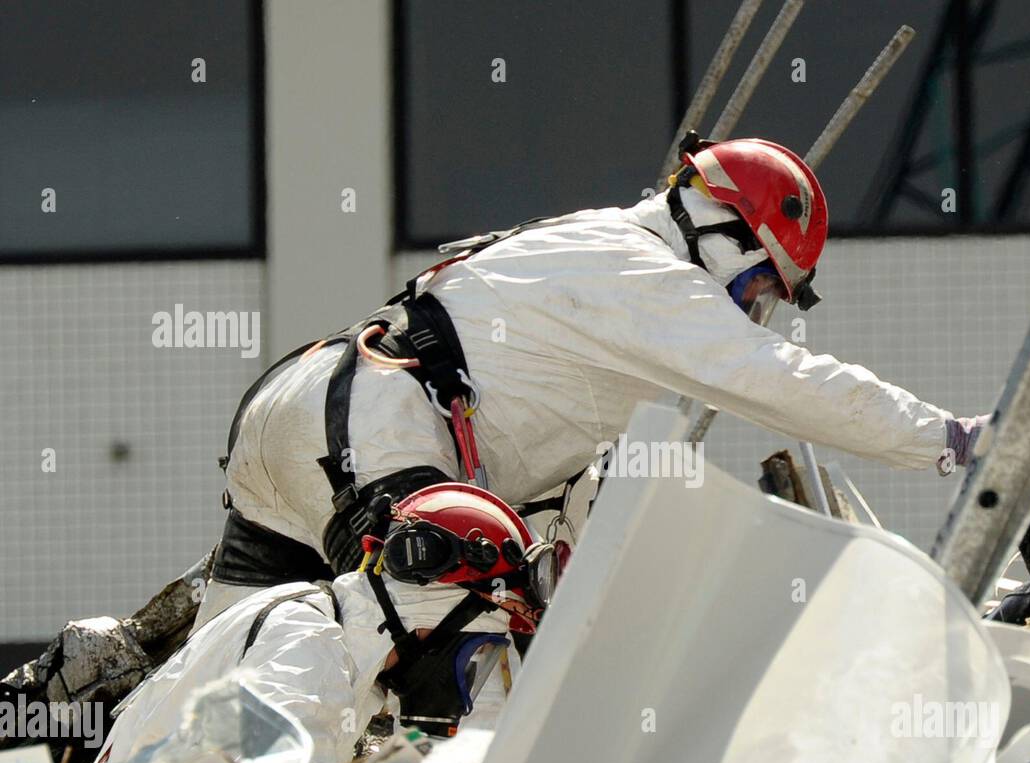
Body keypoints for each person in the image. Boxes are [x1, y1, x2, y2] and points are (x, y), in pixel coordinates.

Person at [198, 134, 987, 626]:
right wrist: (950, 440)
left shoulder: (590, 243)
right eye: (759, 287)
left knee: (230, 684)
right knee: (451, 665)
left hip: (305, 413)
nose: (753, 313)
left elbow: (561, 473)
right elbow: (786, 383)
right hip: (377, 434)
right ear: (718, 234)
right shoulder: (654, 282)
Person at [98, 484, 554, 763]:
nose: (469, 678)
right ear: (430, 613)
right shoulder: (306, 645)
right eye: (475, 653)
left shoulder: (333, 645)